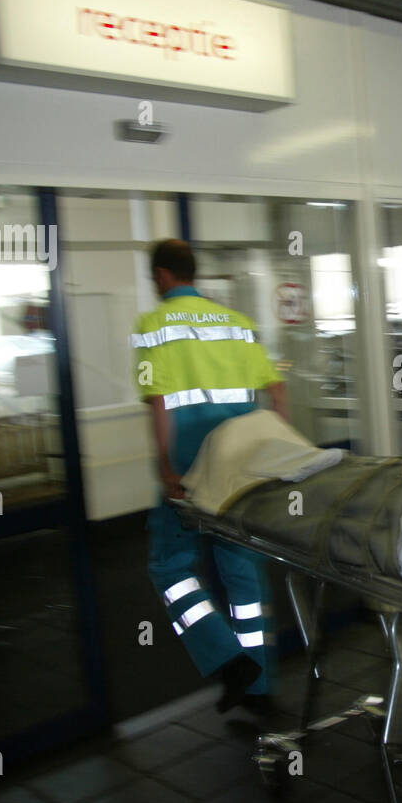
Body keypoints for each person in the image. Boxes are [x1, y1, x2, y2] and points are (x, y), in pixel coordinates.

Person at [131, 239, 291, 716]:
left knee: (170, 567)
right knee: (243, 574)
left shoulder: (153, 326)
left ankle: (227, 658)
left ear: (161, 276)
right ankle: (260, 686)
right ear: (193, 273)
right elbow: (277, 392)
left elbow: (159, 401)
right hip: (238, 466)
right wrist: (276, 449)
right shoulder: (237, 324)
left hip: (190, 468)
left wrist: (165, 466)